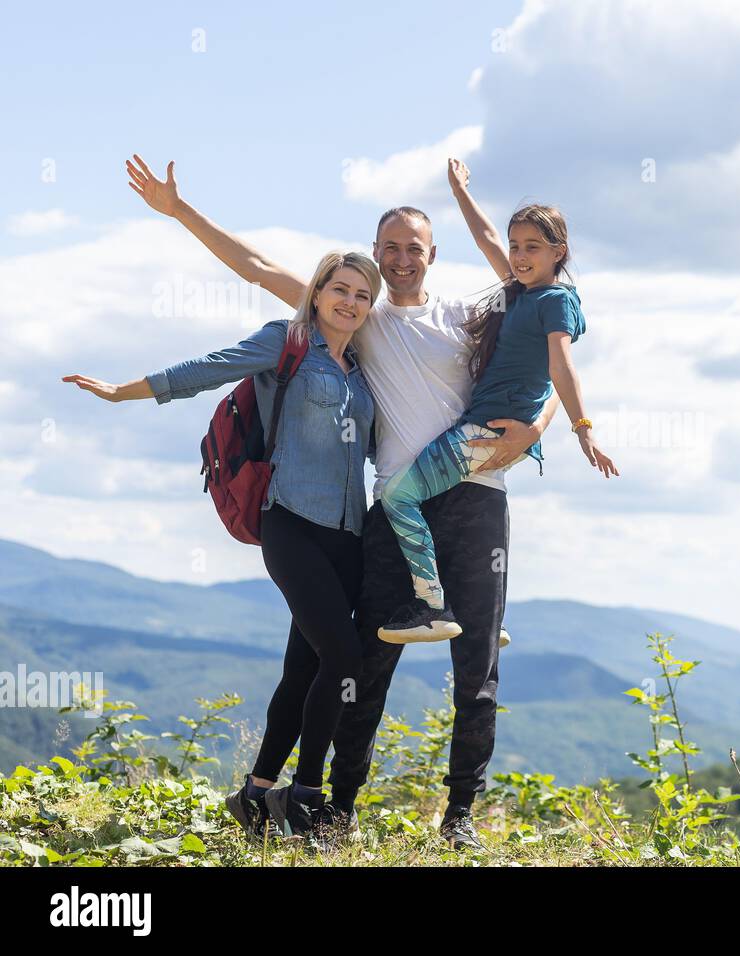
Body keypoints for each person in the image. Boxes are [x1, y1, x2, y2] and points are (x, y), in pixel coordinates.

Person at [124, 154, 561, 849]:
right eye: (389, 248)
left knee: (476, 668)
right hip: (394, 509)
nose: (401, 258)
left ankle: (459, 820)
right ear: (378, 259)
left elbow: (547, 348)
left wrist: (541, 427)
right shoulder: (362, 321)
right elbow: (262, 269)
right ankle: (335, 809)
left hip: (476, 498)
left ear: (432, 253)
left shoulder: (472, 315)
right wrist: (180, 212)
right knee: (364, 661)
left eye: (413, 247)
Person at [64, 250, 381, 847]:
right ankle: (305, 798)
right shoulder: (286, 341)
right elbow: (210, 367)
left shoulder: (363, 365)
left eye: (363, 295)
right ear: (317, 293)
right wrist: (123, 392)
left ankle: (257, 793)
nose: (351, 302)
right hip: (290, 523)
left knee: (304, 668)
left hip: (349, 535)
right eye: (340, 289)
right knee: (344, 658)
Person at [379, 172, 619, 642]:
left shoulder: (554, 301)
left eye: (533, 246)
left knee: (397, 497)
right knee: (426, 500)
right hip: (483, 430)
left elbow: (562, 367)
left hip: (484, 432)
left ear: (558, 252)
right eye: (516, 246)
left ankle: (432, 605)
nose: (519, 256)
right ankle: (488, 616)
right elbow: (487, 238)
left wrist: (583, 427)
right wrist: (460, 193)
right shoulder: (519, 294)